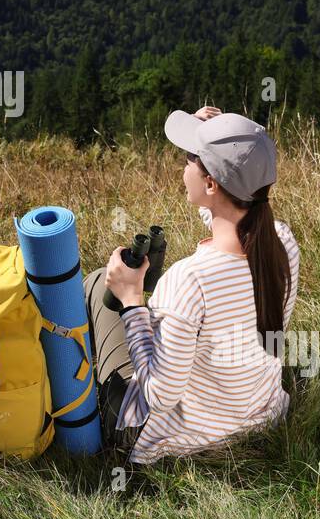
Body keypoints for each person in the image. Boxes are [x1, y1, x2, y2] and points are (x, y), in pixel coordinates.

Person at [83, 107, 301, 465]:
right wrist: (210, 139)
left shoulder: (189, 280)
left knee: (95, 284)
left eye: (188, 159)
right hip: (259, 414)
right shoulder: (282, 244)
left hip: (176, 437)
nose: (183, 167)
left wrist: (132, 301)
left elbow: (160, 394)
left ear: (212, 184)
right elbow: (230, 207)